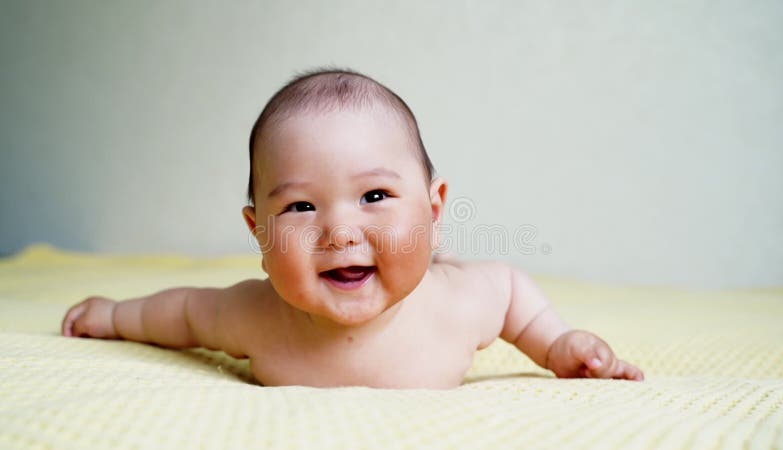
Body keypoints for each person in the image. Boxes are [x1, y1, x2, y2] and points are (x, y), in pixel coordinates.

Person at [62, 68, 644, 388]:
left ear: (434, 211)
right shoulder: (253, 316)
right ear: (258, 232)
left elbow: (514, 293)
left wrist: (556, 344)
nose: (339, 232)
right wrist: (114, 315)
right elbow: (182, 312)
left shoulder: (460, 303)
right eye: (299, 208)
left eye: (374, 195)